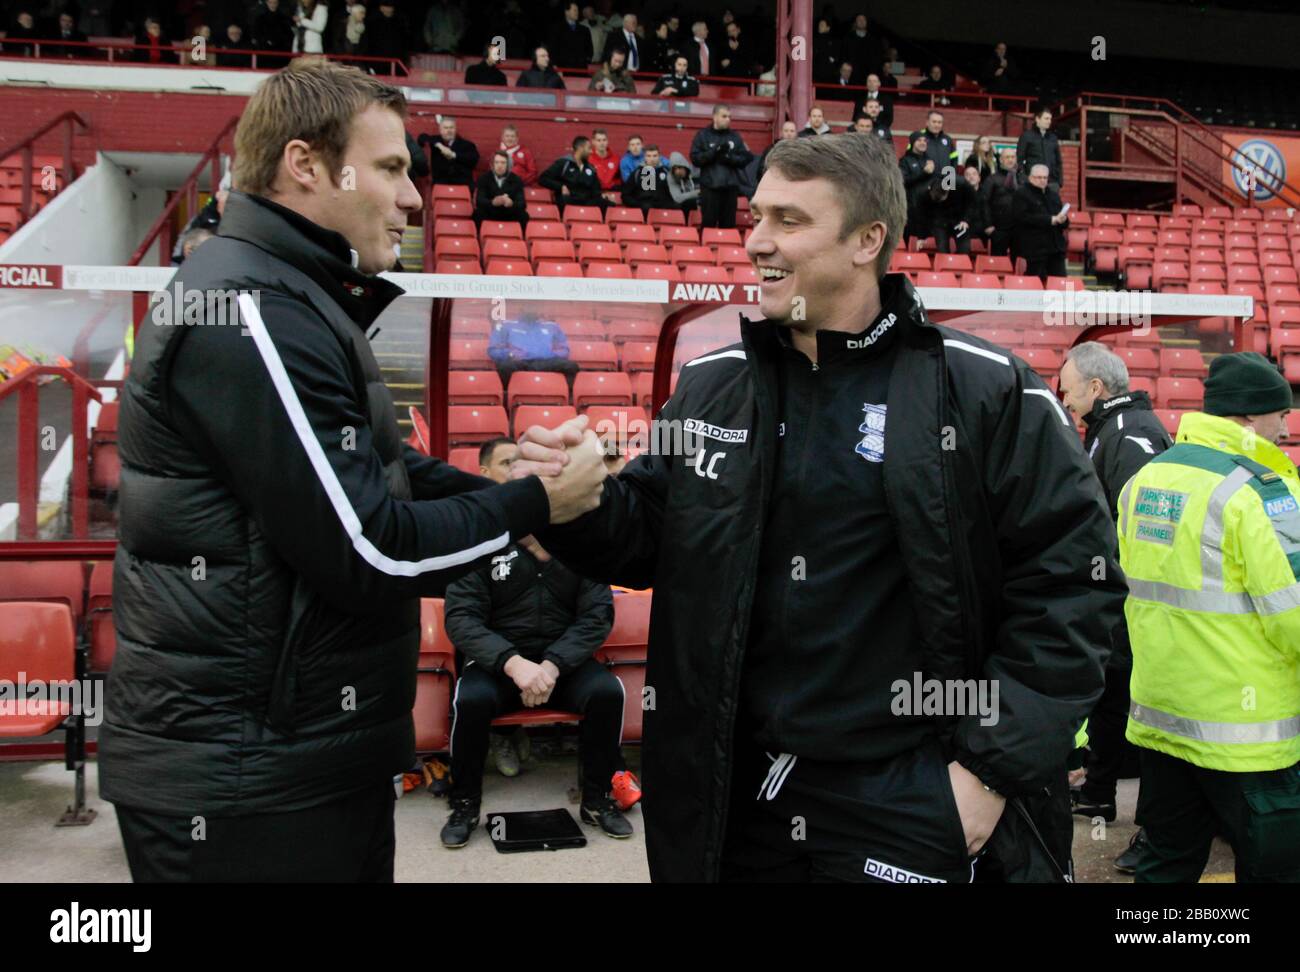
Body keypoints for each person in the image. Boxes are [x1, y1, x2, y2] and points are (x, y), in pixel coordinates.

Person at [514, 132, 1124, 883]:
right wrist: (578, 501)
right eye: (757, 217)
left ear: (870, 239)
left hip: (911, 792)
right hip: (739, 791)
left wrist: (984, 774)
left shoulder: (984, 390)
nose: (757, 242)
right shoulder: (713, 383)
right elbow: (649, 534)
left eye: (789, 221)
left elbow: (1071, 585)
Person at [99, 58, 608, 883]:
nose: (414, 197)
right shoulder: (251, 310)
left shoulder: (289, 297)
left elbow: (385, 469)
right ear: (305, 165)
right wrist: (537, 503)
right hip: (248, 783)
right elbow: (373, 547)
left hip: (299, 758)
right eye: (393, 167)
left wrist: (526, 493)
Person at [1117, 352, 1300, 883]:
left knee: (1166, 867)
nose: (1286, 427)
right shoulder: (1264, 494)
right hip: (1249, 740)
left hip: (1164, 723)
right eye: (1279, 415)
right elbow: (1293, 619)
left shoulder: (1147, 479)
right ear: (1247, 418)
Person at [441, 510, 625, 846]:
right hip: (500, 664)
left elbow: (597, 616)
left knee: (608, 693)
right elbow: (461, 619)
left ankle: (598, 800)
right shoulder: (481, 546)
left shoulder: (582, 549)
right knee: (469, 700)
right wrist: (513, 663)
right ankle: (464, 803)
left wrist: (552, 666)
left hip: (563, 666)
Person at [1058, 342, 1172, 876]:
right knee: (1110, 694)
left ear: (1096, 389)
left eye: (1069, 387)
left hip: (1134, 600)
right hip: (1121, 597)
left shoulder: (1131, 434)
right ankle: (1099, 789)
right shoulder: (1115, 428)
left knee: (1126, 698)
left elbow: (1141, 527)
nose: (1064, 396)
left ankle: (1130, 806)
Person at [691, 104, 753, 230]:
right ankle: (705, 249)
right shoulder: (703, 135)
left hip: (730, 188)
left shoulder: (735, 137)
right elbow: (695, 158)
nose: (728, 119)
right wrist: (713, 153)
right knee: (708, 223)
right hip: (709, 187)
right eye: (724, 116)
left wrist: (729, 158)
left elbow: (746, 158)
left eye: (729, 117)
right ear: (714, 117)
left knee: (728, 226)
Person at [1012, 163, 1068, 280]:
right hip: (1034, 250)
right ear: (1031, 177)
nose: (1042, 180)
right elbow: (1022, 217)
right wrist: (1050, 220)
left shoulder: (1053, 195)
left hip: (1055, 249)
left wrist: (1063, 220)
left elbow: (1063, 222)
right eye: (1039, 177)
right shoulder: (1022, 194)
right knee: (1034, 284)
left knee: (1059, 283)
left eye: (1045, 177)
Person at [539, 135, 606, 213]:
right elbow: (543, 179)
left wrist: (603, 196)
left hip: (586, 201)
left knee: (607, 204)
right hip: (569, 199)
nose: (591, 151)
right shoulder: (563, 163)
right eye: (589, 148)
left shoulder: (591, 168)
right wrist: (561, 186)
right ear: (580, 148)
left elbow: (596, 190)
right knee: (563, 201)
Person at [420, 116, 479, 188]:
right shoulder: (436, 141)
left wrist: (454, 155)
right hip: (440, 185)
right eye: (445, 128)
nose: (449, 130)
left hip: (462, 185)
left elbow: (474, 159)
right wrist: (439, 145)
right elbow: (422, 138)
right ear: (440, 130)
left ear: (455, 129)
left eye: (451, 128)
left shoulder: (467, 145)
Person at [474, 152, 527, 229]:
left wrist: (511, 203)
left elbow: (522, 204)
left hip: (508, 213)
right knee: (478, 214)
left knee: (523, 215)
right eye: (497, 162)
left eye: (503, 163)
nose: (499, 165)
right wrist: (492, 202)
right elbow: (479, 201)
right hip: (490, 212)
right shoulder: (484, 178)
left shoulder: (516, 179)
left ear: (508, 165)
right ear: (492, 164)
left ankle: (519, 239)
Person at [985, 146, 1021, 257]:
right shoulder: (992, 179)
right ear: (1001, 160)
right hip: (999, 228)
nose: (1010, 160)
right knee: (999, 263)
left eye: (1012, 157)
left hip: (1019, 228)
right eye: (1007, 157)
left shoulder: (1022, 179)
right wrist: (988, 225)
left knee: (1018, 263)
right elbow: (984, 202)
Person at [1017, 107, 1063, 192]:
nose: (1049, 121)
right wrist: (1024, 179)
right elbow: (1019, 159)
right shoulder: (1026, 136)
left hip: (1051, 182)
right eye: (1046, 118)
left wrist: (1059, 181)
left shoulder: (1053, 138)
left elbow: (1058, 161)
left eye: (1050, 119)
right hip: (1032, 182)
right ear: (1037, 119)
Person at [899, 133, 935, 241]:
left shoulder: (930, 160)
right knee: (912, 241)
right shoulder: (905, 161)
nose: (922, 143)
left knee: (927, 243)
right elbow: (903, 181)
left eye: (924, 140)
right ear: (912, 143)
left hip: (928, 207)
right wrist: (924, 173)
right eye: (919, 140)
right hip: (912, 208)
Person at [621, 145, 673, 215]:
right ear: (644, 157)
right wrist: (639, 205)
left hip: (663, 207)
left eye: (655, 156)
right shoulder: (637, 172)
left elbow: (671, 193)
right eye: (649, 156)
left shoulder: (666, 172)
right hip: (643, 208)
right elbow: (625, 195)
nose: (652, 159)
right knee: (647, 207)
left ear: (659, 157)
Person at [360, 0, 408, 66]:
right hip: (376, 60)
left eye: (391, 7)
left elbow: (404, 40)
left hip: (396, 60)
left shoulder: (399, 20)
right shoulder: (372, 21)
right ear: (381, 7)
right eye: (387, 7)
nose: (389, 10)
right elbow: (367, 42)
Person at [550, 1, 593, 70]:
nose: (577, 12)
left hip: (581, 69)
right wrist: (554, 65)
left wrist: (586, 60)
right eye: (574, 10)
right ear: (566, 12)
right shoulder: (557, 29)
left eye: (578, 10)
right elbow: (553, 48)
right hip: (563, 68)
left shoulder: (585, 30)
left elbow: (589, 49)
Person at [252, 0, 294, 66]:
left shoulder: (284, 18)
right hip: (265, 54)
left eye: (275, 2)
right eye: (270, 2)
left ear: (278, 3)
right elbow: (257, 35)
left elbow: (289, 36)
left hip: (281, 54)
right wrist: (266, 41)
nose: (273, 5)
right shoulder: (260, 19)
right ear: (267, 3)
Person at [961, 166, 993, 244]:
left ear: (979, 178)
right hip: (965, 228)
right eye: (968, 175)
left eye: (974, 174)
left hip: (983, 230)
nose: (971, 177)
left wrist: (989, 225)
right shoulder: (959, 195)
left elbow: (987, 212)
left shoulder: (986, 194)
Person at [589, 129, 621, 201]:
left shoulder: (616, 159)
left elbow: (620, 178)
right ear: (593, 142)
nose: (602, 143)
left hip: (613, 192)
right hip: (595, 194)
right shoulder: (588, 159)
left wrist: (613, 184)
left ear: (607, 141)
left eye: (604, 140)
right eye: (599, 140)